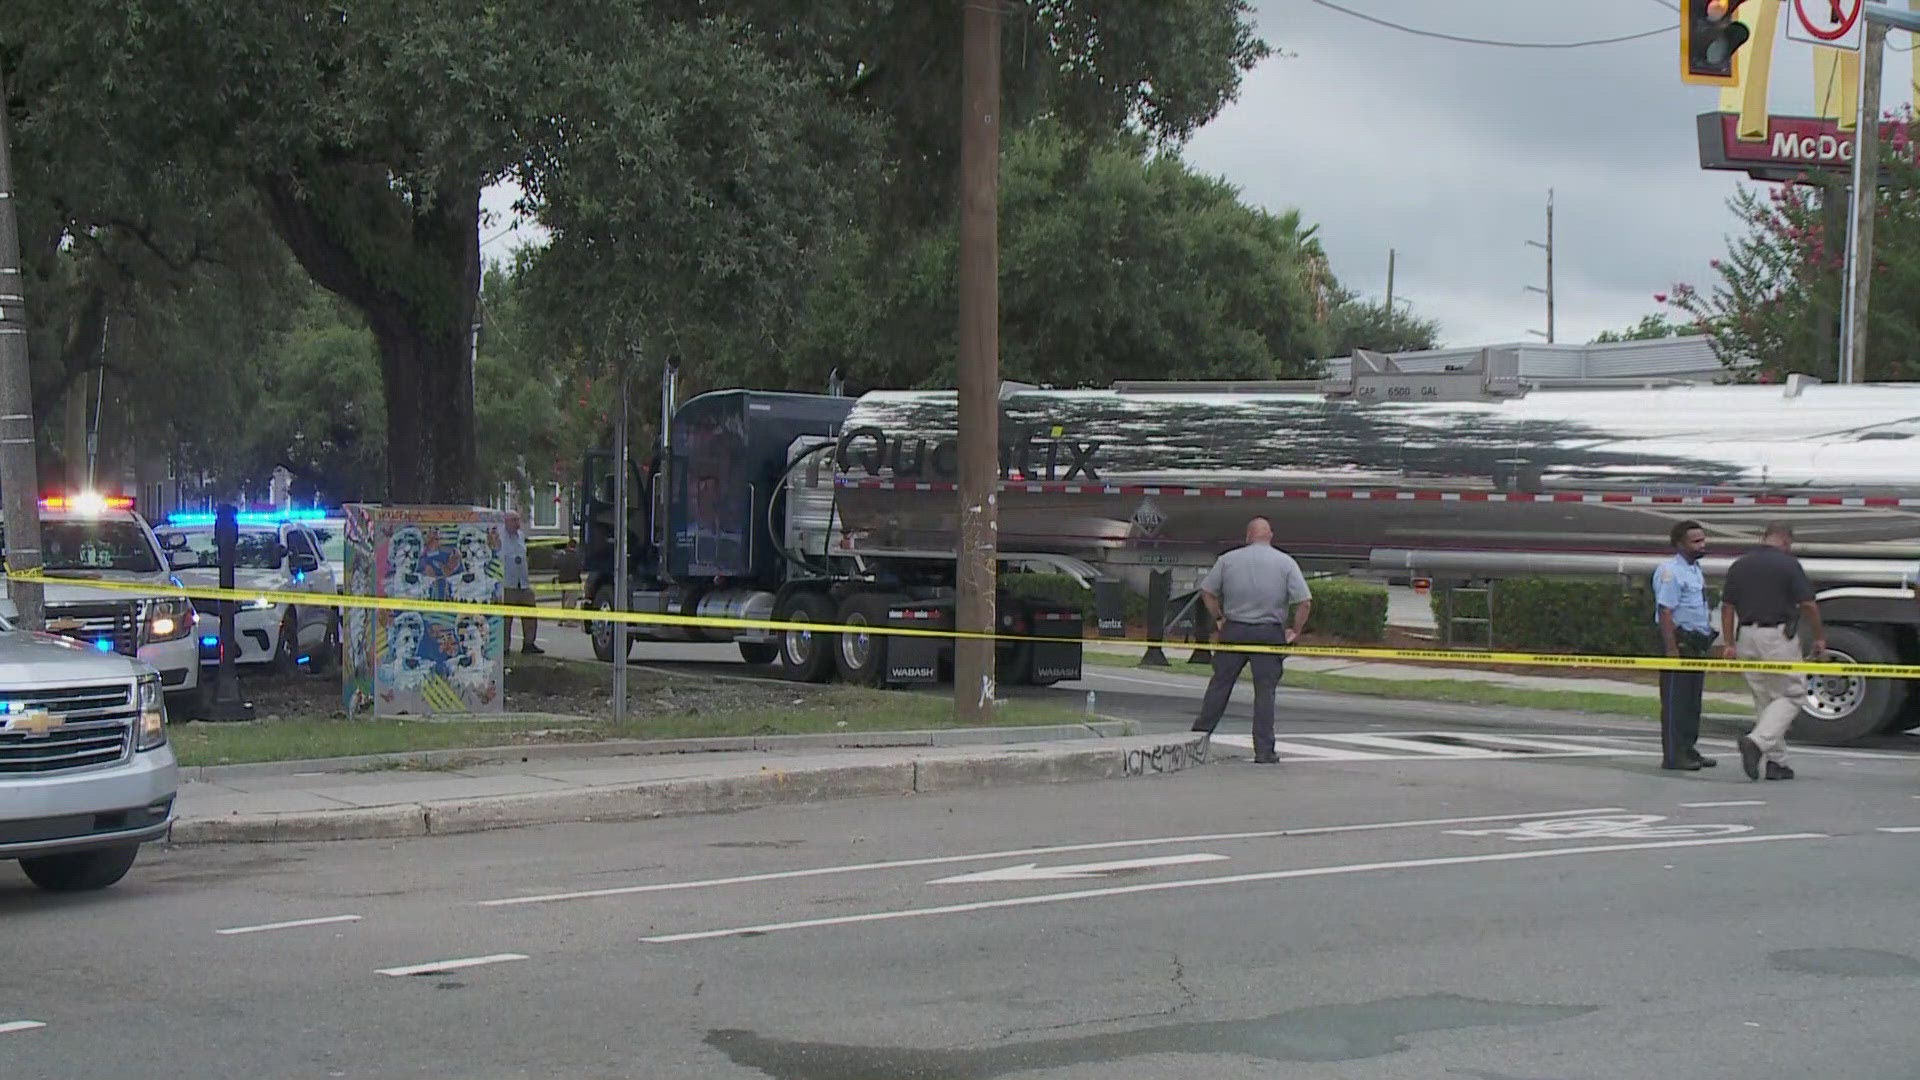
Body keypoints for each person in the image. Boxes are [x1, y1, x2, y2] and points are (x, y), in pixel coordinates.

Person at [1189, 517, 1313, 764]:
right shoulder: (1285, 562)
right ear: (1270, 536)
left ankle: (1196, 740)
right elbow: (1305, 602)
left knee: (1220, 686)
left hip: (1234, 631)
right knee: (1265, 692)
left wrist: (1220, 618)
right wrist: (1294, 631)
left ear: (1247, 536)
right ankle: (1264, 750)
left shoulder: (1228, 560)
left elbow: (1207, 592)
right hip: (1269, 632)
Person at [1719, 522, 1824, 781]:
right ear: (1787, 541)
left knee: (1765, 698)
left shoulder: (1740, 565)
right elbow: (1808, 604)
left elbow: (1727, 606)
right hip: (1776, 637)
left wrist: (1729, 642)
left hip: (1746, 636)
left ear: (1764, 537)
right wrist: (1819, 636)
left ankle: (1777, 763)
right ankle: (1757, 741)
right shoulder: (1788, 565)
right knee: (1793, 695)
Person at [1653, 520, 1717, 771]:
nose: (1702, 545)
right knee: (1675, 701)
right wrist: (1671, 649)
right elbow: (1665, 610)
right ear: (1679, 544)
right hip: (1678, 641)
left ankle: (1688, 748)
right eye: (1696, 541)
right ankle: (1673, 755)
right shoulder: (1671, 571)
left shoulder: (1695, 569)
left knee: (1692, 702)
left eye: (1703, 539)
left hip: (1695, 642)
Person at [501, 511, 542, 655]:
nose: (517, 523)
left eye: (518, 520)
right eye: (513, 520)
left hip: (523, 583)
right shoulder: (500, 537)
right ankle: (504, 647)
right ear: (505, 522)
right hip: (507, 584)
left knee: (530, 613)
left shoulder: (521, 537)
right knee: (506, 618)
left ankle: (529, 643)